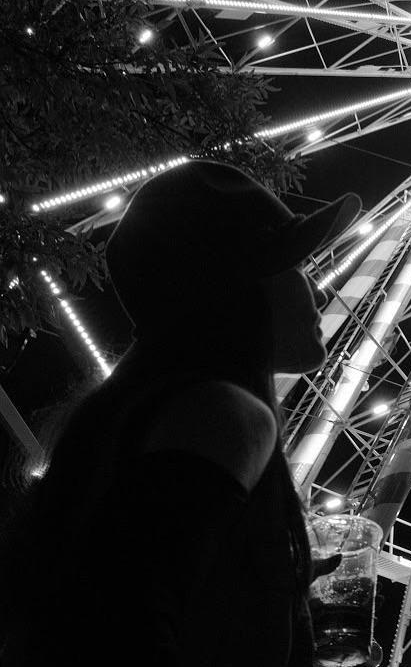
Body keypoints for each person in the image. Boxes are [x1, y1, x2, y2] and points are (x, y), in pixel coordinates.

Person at [0, 161, 360, 666]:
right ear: (239, 288)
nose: (320, 291)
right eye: (298, 267)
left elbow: (120, 593)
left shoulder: (132, 416)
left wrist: (273, 603)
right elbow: (128, 629)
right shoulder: (229, 414)